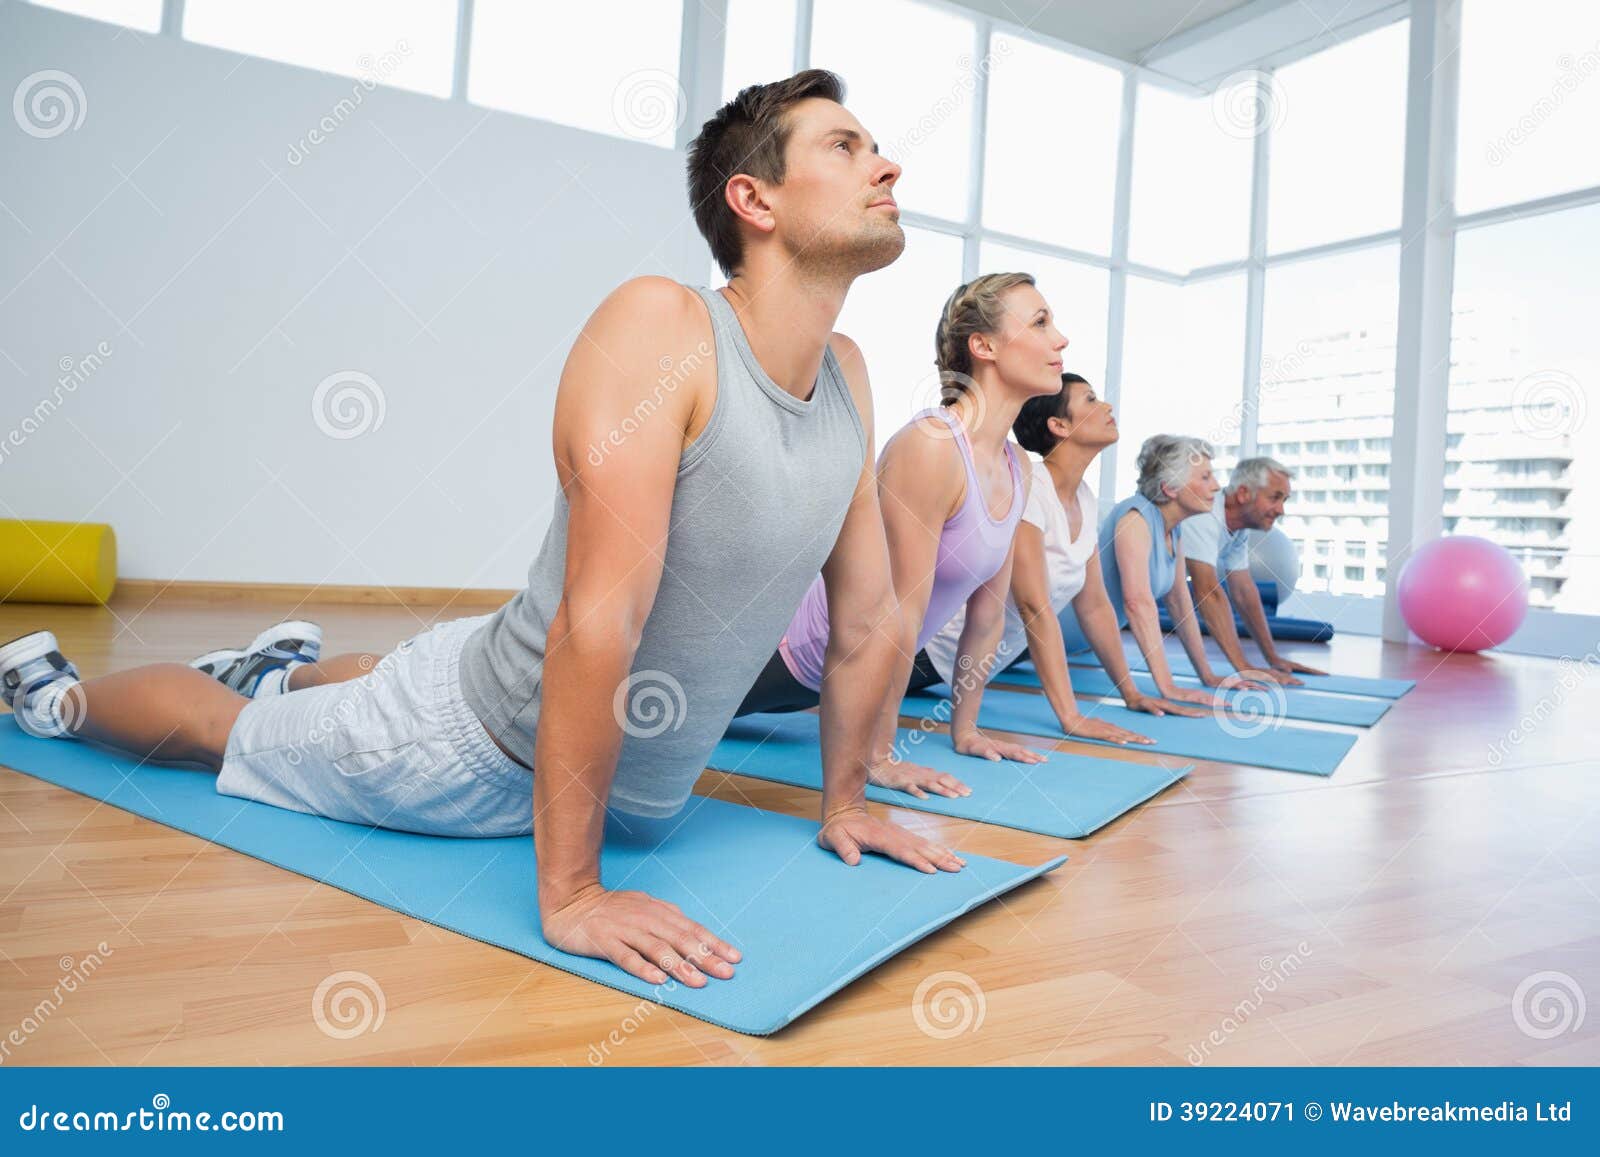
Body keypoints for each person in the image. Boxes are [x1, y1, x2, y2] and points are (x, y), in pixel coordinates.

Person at [0, 70, 967, 992]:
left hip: (581, 737)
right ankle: (54, 700)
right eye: (847, 146)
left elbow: (868, 618)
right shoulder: (661, 325)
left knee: (388, 669)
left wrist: (847, 802)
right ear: (753, 200)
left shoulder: (846, 370)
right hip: (471, 748)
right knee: (229, 732)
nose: (887, 166)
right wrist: (574, 894)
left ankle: (279, 666)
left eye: (879, 147)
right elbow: (597, 624)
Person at [736, 273, 1067, 798]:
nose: (1061, 339)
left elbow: (986, 617)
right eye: (1041, 322)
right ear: (984, 347)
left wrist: (965, 729)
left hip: (827, 677)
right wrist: (878, 755)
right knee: (643, 727)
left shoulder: (1016, 466)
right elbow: (896, 614)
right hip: (781, 652)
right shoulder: (932, 447)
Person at [917, 374, 1207, 746]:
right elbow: (1033, 605)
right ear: (1059, 425)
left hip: (963, 667)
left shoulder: (1084, 499)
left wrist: (1131, 693)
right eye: (1090, 400)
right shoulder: (1029, 486)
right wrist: (1070, 716)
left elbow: (1096, 608)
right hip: (925, 651)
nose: (1107, 406)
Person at [1063, 434, 1261, 707]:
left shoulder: (1174, 529)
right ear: (1169, 488)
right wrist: (1167, 687)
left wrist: (1207, 674)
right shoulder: (1134, 519)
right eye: (1205, 478)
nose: (1216, 487)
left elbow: (1180, 602)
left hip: (1073, 645)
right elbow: (1138, 604)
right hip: (1033, 637)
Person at [1179, 456, 1327, 684]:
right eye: (1275, 498)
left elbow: (1244, 592)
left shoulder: (1238, 528)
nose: (1281, 510)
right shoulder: (1205, 515)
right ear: (1243, 494)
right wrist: (1244, 667)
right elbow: (1208, 593)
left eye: (1284, 500)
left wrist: (1273, 659)